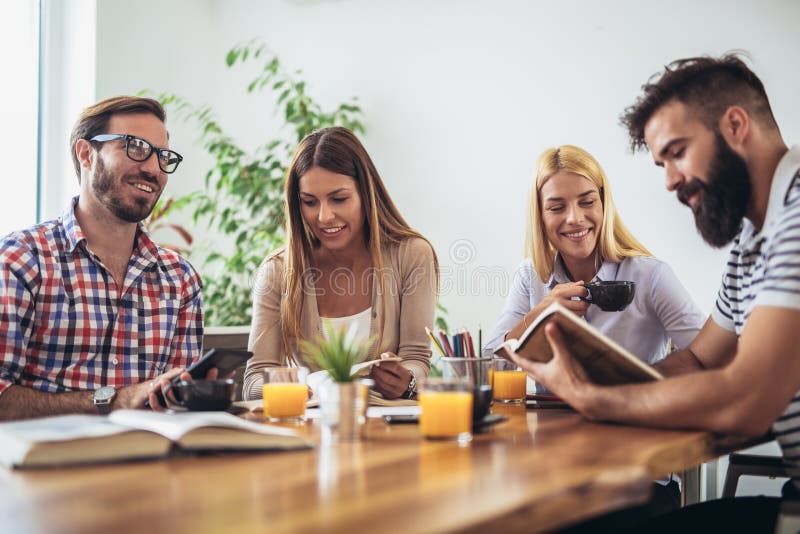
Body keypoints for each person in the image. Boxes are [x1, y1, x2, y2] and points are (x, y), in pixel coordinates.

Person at [505, 54, 799, 531]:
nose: (670, 181)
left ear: (735, 125)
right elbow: (700, 358)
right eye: (662, 163)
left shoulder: (796, 216)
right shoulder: (754, 237)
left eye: (677, 153)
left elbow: (748, 399)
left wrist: (596, 400)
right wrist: (608, 389)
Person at [485, 144, 704, 516]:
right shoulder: (530, 276)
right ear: (540, 215)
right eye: (557, 207)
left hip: (636, 474)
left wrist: (634, 384)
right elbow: (492, 364)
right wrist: (538, 314)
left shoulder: (650, 276)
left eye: (587, 202)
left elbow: (706, 355)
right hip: (554, 469)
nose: (574, 218)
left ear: (604, 204)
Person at [0, 96, 211, 420]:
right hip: (48, 452)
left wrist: (196, 395)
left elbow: (177, 410)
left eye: (162, 156)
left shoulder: (180, 279)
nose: (153, 169)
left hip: (149, 451)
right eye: (136, 147)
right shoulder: (22, 260)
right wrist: (115, 400)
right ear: (86, 154)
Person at [243, 126, 438, 401]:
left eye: (339, 199)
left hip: (387, 424)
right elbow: (253, 380)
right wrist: (279, 385)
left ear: (366, 193)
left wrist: (406, 381)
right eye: (310, 202)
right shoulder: (277, 271)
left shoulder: (412, 255)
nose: (324, 217)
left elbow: (417, 359)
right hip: (312, 424)